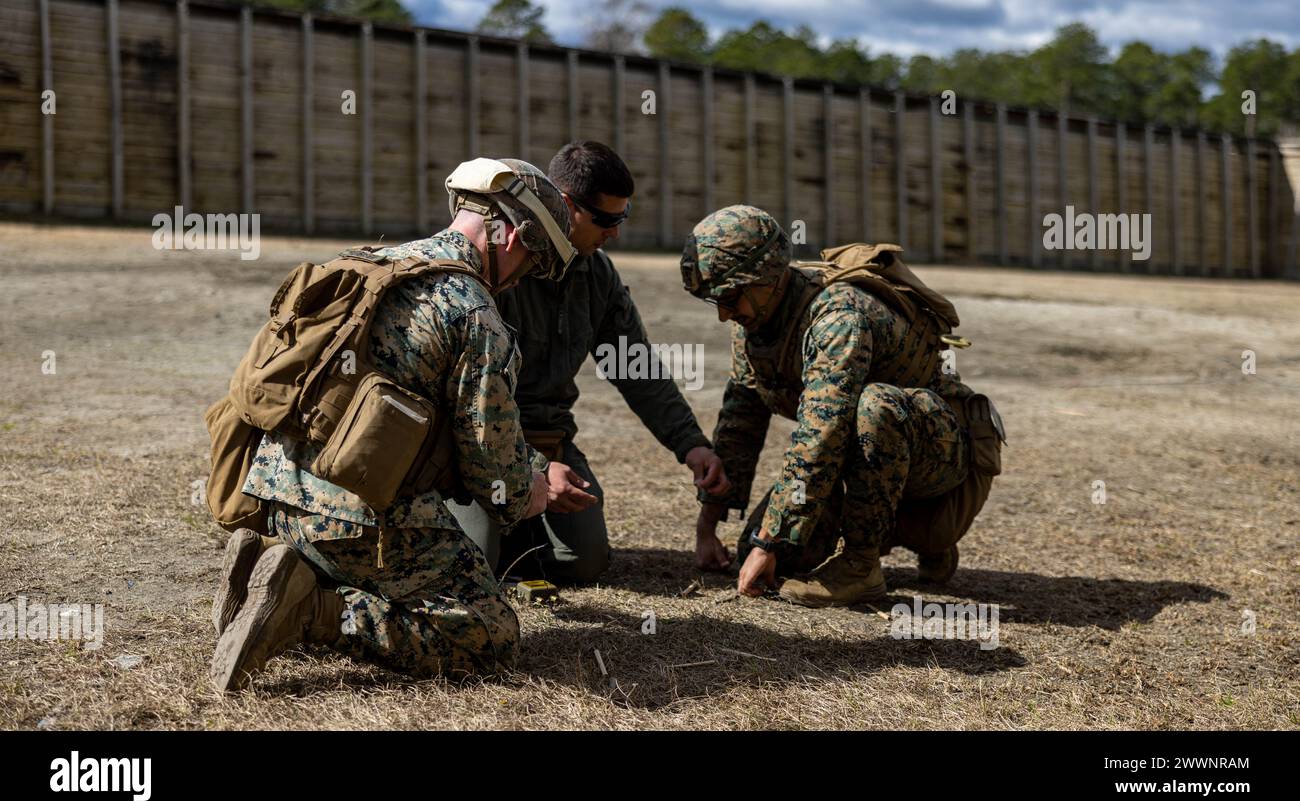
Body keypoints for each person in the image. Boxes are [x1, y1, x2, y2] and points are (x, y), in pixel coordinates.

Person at [208, 158, 576, 690]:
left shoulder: (365, 263)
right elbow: (489, 464)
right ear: (513, 235)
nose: (521, 279)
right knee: (491, 637)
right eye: (531, 261)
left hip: (268, 497)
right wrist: (529, 492)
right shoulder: (475, 315)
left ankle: (271, 565)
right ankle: (309, 609)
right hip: (350, 524)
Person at [683, 205, 1003, 607]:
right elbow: (739, 425)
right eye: (716, 301)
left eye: (730, 297)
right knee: (763, 560)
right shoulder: (753, 324)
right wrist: (709, 525)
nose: (724, 314)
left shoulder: (839, 316)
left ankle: (865, 564)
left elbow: (822, 434)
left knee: (874, 408)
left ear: (767, 277)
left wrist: (773, 536)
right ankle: (879, 533)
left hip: (940, 470)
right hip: (864, 464)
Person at [449, 141, 729, 583]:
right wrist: (532, 471)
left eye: (624, 217)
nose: (616, 232)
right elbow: (464, 407)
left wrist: (691, 444)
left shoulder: (597, 276)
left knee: (583, 564)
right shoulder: (498, 264)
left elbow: (634, 367)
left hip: (551, 443)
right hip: (476, 450)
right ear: (564, 205)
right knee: (473, 565)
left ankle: (516, 527)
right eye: (606, 220)